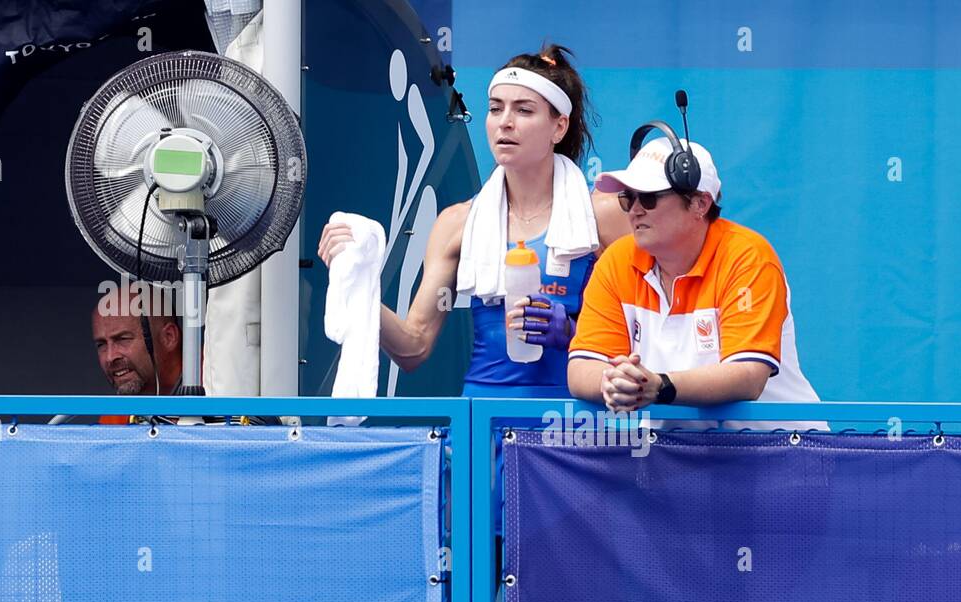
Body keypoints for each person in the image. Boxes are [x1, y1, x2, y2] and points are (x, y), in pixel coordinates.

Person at [317, 44, 628, 397]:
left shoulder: (602, 214)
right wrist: (359, 280)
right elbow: (414, 346)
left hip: (570, 426)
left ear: (559, 127)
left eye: (524, 110)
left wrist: (576, 333)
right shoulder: (457, 223)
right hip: (481, 426)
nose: (505, 122)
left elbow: (652, 331)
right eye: (496, 109)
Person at [567, 135, 821, 414]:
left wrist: (659, 386)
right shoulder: (617, 260)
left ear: (700, 203)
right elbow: (582, 367)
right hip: (673, 446)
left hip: (775, 446)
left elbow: (748, 376)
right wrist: (615, 383)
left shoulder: (747, 257)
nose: (635, 210)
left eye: (649, 198)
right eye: (629, 198)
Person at [91, 283, 182, 395]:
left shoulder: (209, 381)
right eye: (101, 345)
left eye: (123, 339)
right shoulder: (116, 412)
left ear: (169, 337)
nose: (110, 357)